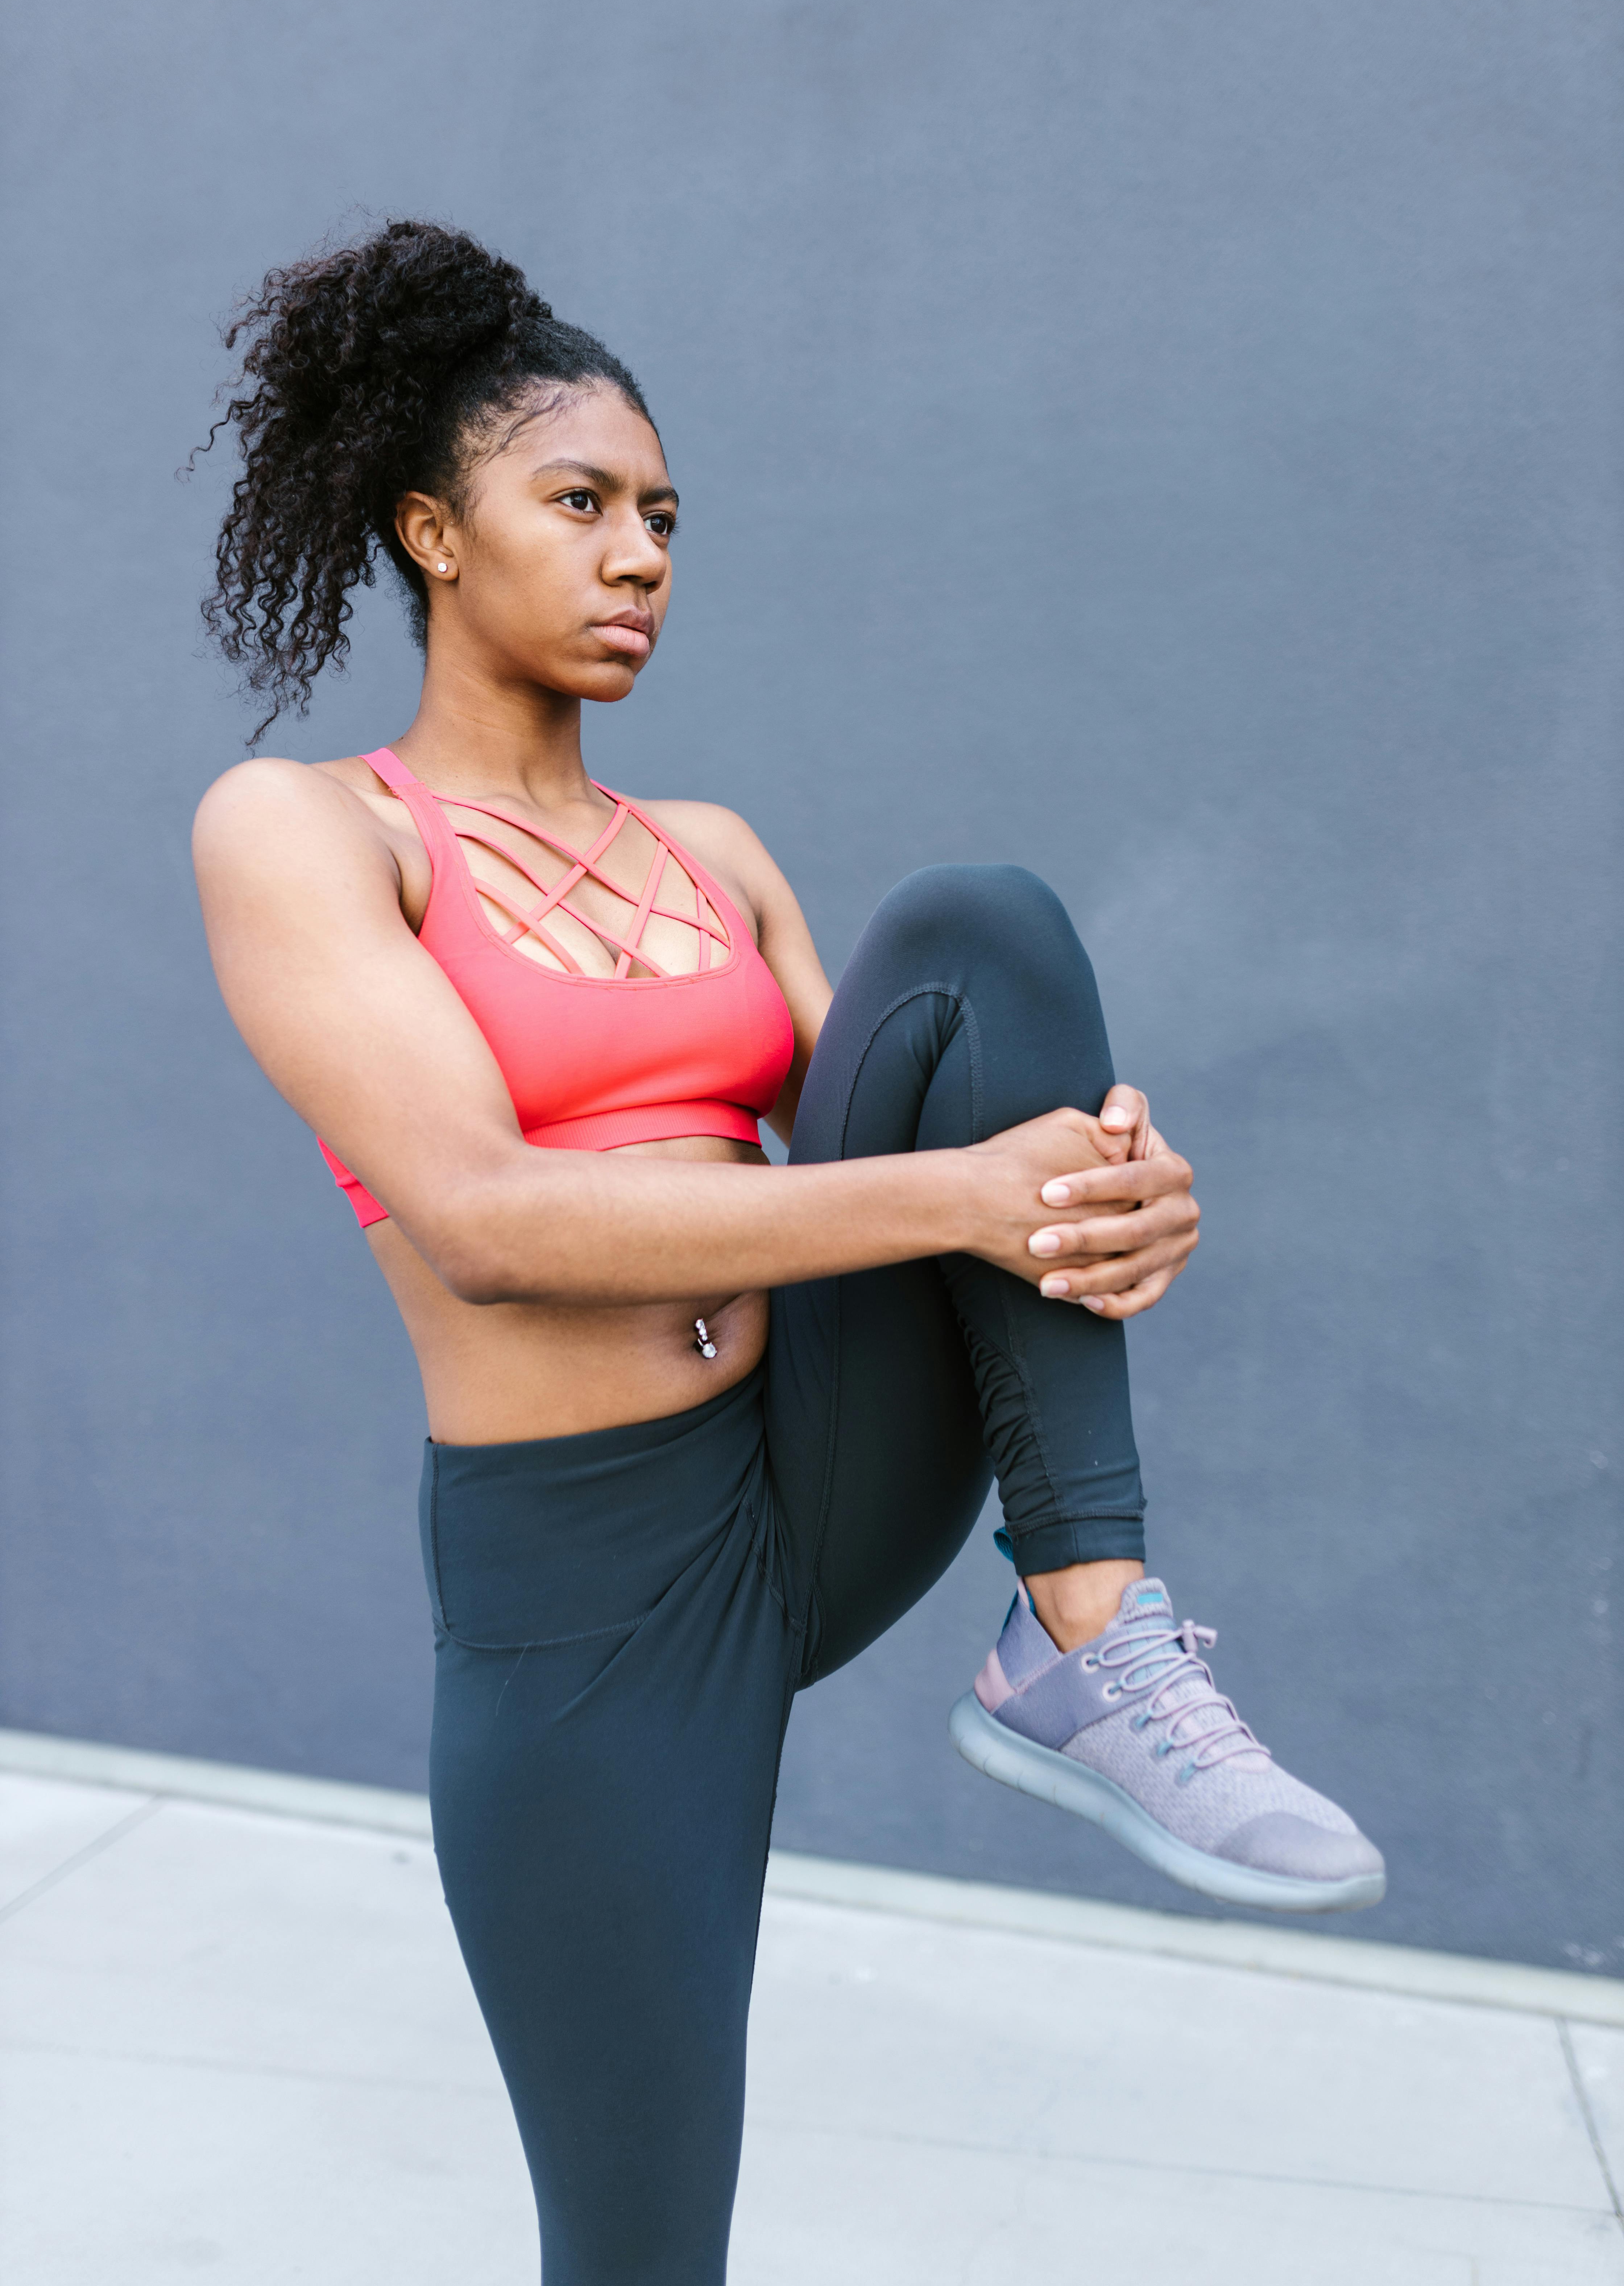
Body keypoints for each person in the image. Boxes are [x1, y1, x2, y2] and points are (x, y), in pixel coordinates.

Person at [192, 220, 1383, 2282]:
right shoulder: (309, 831)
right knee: (643, 2242)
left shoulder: (713, 852)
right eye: (580, 504)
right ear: (431, 532)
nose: (641, 552)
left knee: (982, 930)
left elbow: (938, 1158)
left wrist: (1100, 1202)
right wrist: (971, 1196)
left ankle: (1085, 1632)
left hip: (812, 1474)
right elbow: (482, 1223)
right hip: (585, 1603)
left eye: (662, 514)